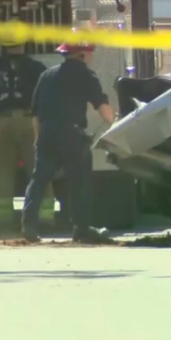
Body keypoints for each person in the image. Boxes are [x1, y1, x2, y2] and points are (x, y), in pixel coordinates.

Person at [21, 41, 116, 243]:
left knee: (39, 180)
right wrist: (116, 124)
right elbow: (102, 107)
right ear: (83, 54)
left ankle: (28, 225)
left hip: (47, 132)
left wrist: (38, 139)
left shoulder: (46, 76)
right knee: (80, 181)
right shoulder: (86, 76)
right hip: (72, 135)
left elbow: (35, 114)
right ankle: (81, 229)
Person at [0, 28, 55, 234]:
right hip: (29, 122)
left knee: (1, 172)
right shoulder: (36, 68)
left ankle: (2, 221)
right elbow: (47, 96)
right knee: (38, 170)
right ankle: (45, 218)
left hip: (1, 121)